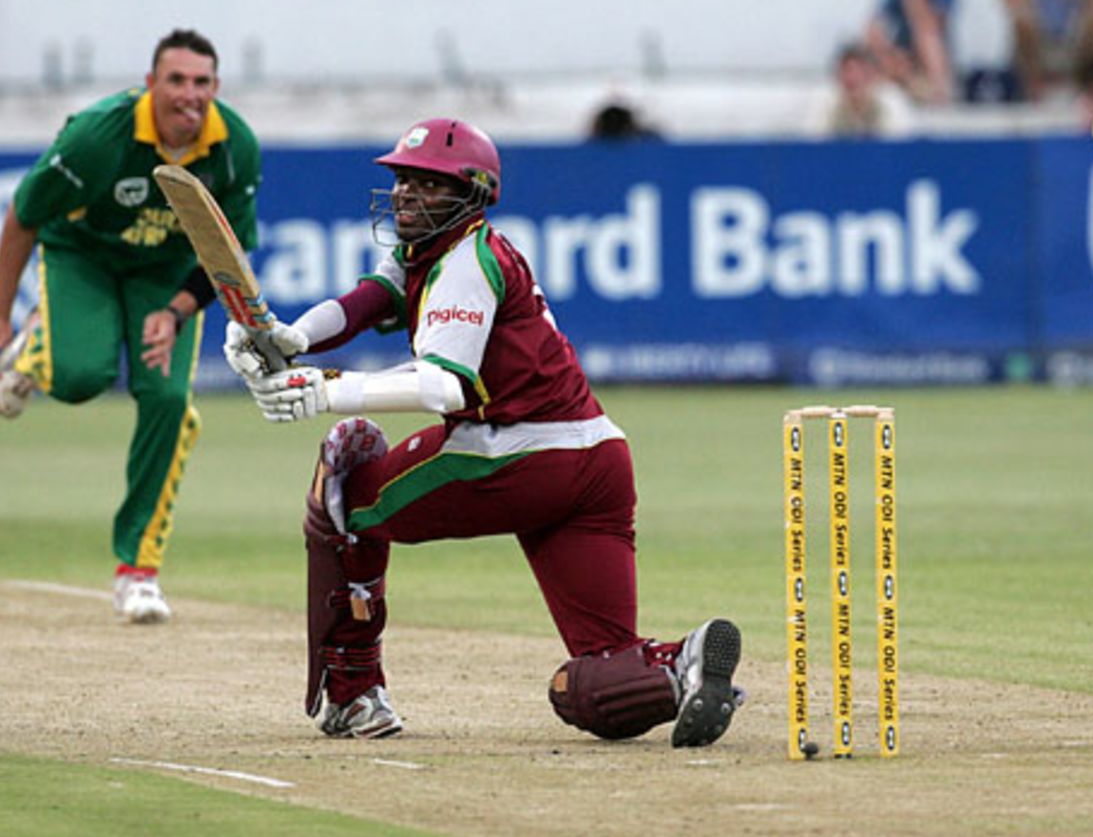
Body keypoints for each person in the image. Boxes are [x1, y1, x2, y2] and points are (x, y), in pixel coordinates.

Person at [222, 118, 743, 745]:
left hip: (513, 454)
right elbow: (369, 299)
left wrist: (326, 391)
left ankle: (352, 693)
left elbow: (444, 386)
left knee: (345, 487)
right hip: (599, 460)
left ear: (471, 195)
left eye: (428, 184)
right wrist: (294, 338)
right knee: (590, 683)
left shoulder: (466, 262)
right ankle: (681, 664)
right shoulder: (436, 250)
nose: (407, 195)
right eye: (403, 180)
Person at [0, 29, 262, 625]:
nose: (189, 95)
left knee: (169, 399)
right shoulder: (98, 136)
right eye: (176, 80)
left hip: (165, 276)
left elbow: (229, 257)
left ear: (217, 87)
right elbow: (24, 214)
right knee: (79, 378)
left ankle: (138, 572)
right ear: (151, 83)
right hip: (84, 258)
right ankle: (33, 348)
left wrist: (175, 310)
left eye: (201, 82)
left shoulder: (234, 147)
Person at [1003, 0, 1093, 103]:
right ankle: (1034, 89)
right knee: (1022, 22)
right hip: (1038, 40)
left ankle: (1086, 91)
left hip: (1076, 38)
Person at [805, 43, 915, 138]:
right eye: (847, 71)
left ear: (873, 75)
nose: (853, 77)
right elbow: (812, 145)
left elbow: (901, 144)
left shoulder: (891, 101)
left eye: (862, 72)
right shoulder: (826, 103)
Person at [864, 0, 957, 104]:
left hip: (928, 61)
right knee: (875, 32)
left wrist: (915, 2)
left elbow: (934, 26)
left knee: (927, 36)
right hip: (901, 55)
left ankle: (938, 91)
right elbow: (876, 23)